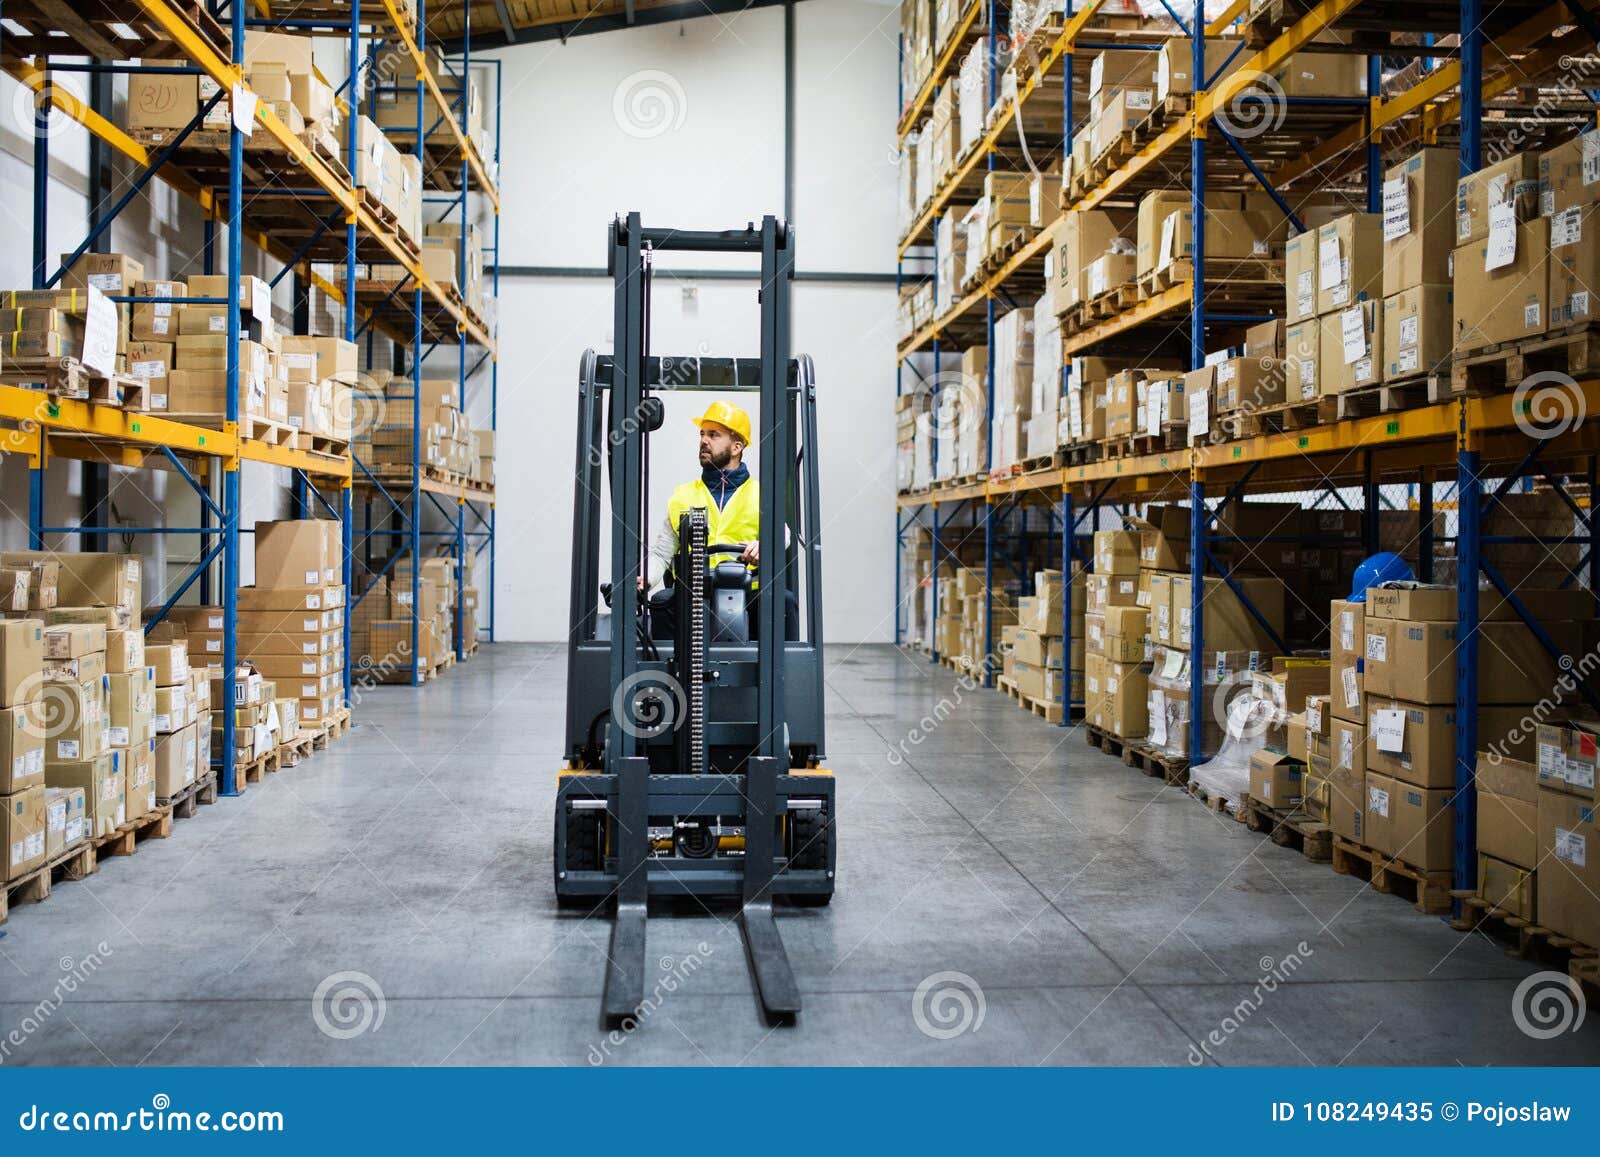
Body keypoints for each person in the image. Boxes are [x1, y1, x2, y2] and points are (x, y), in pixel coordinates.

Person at [644, 401, 760, 593]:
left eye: (713, 435)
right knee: (661, 601)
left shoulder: (760, 494)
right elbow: (661, 554)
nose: (704, 441)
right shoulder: (683, 496)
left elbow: (782, 536)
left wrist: (761, 547)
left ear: (736, 447)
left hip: (747, 597)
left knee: (786, 602)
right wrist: (644, 579)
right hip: (691, 598)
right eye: (702, 434)